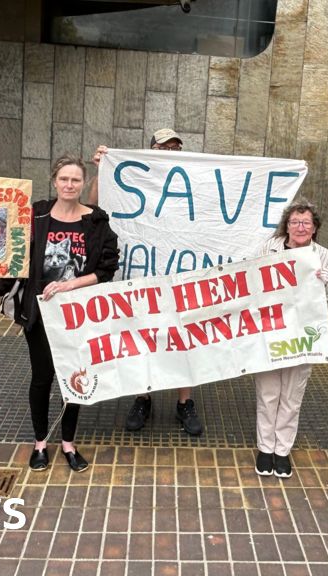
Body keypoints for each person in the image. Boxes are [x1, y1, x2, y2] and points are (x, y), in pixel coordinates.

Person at [0, 155, 119, 474]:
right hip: (40, 312)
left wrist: (71, 284)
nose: (70, 185)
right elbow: (16, 259)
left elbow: (106, 269)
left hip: (80, 315)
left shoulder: (96, 221)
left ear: (83, 184)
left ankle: (68, 443)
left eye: (75, 180)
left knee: (76, 378)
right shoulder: (36, 215)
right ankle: (40, 442)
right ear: (54, 181)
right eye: (64, 179)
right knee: (42, 376)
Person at [91, 128, 204, 436]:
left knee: (185, 336)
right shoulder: (135, 180)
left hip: (182, 276)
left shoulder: (192, 182)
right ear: (151, 149)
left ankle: (185, 403)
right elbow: (93, 210)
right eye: (163, 147)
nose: (170, 152)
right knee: (144, 335)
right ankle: (144, 397)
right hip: (145, 276)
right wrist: (103, 169)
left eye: (175, 148)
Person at [254, 198, 328, 478]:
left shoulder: (323, 255)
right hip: (271, 332)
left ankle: (282, 451)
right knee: (268, 393)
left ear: (315, 228)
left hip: (303, 338)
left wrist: (323, 283)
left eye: (306, 222)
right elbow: (251, 285)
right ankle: (265, 449)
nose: (300, 227)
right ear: (286, 225)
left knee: (292, 395)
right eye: (295, 222)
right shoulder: (269, 247)